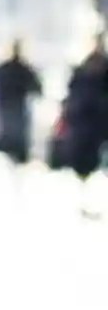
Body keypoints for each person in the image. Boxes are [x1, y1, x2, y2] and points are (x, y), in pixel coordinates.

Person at [0, 39, 43, 165]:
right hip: (18, 112)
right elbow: (38, 89)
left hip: (6, 110)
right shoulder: (24, 70)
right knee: (17, 140)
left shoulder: (4, 69)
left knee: (7, 138)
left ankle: (11, 158)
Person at [62, 37, 108, 214]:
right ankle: (88, 203)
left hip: (87, 126)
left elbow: (71, 99)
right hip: (94, 125)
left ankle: (87, 202)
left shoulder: (82, 72)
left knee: (87, 167)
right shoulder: (86, 72)